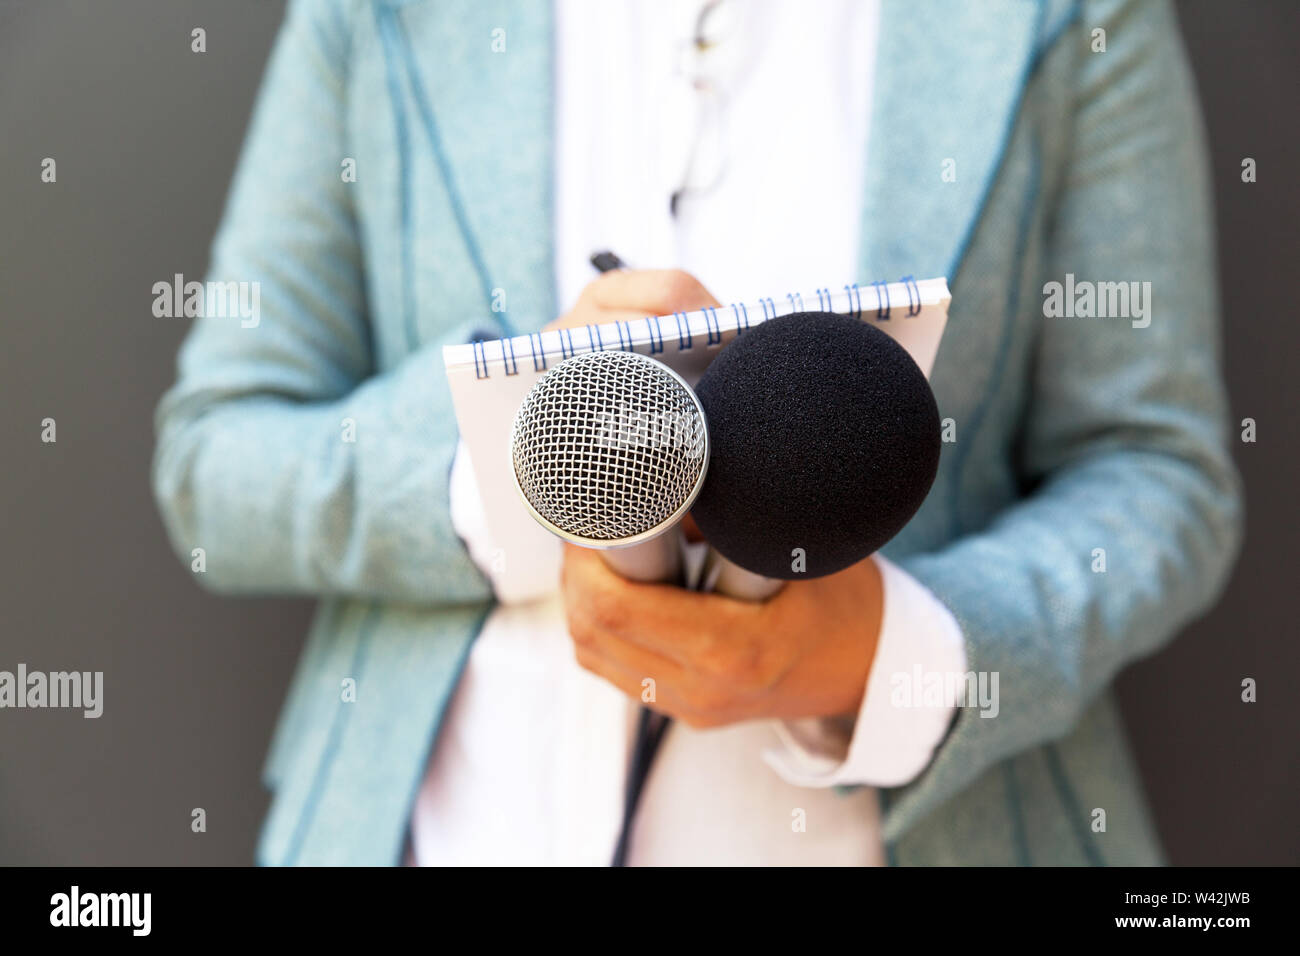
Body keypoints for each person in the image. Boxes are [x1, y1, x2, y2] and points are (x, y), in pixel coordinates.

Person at [152, 0, 1242, 865]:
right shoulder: (378, 12)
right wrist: (530, 459)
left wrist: (892, 658)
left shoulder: (1067, 14)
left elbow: (1156, 471)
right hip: (449, 827)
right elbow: (215, 458)